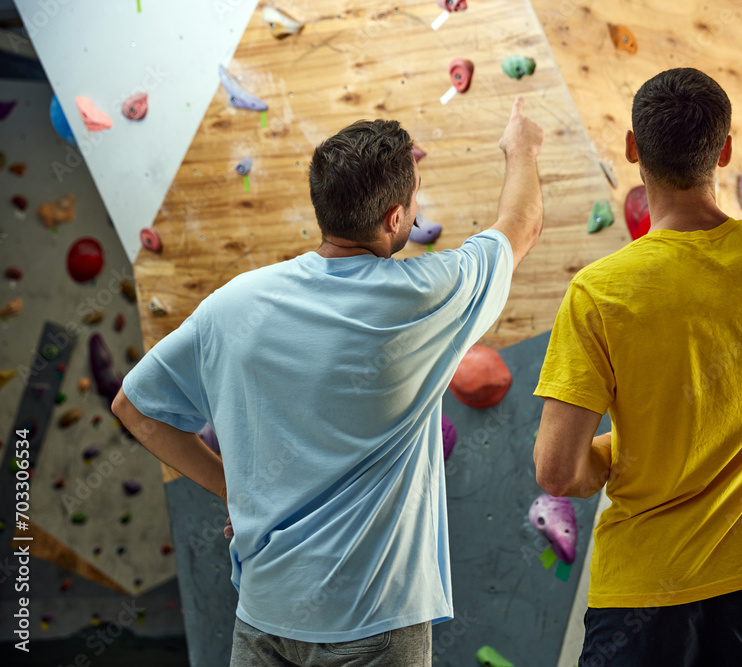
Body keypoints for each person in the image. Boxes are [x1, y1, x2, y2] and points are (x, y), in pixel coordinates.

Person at [112, 96, 544, 666]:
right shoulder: (426, 296)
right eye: (412, 199)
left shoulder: (235, 304)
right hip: (377, 621)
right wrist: (522, 148)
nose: (416, 209)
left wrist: (237, 496)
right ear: (394, 219)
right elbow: (521, 226)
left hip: (266, 617)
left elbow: (135, 408)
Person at [532, 66, 742, 666]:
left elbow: (558, 473)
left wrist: (634, 448)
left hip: (642, 604)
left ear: (632, 149)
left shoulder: (600, 293)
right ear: (723, 153)